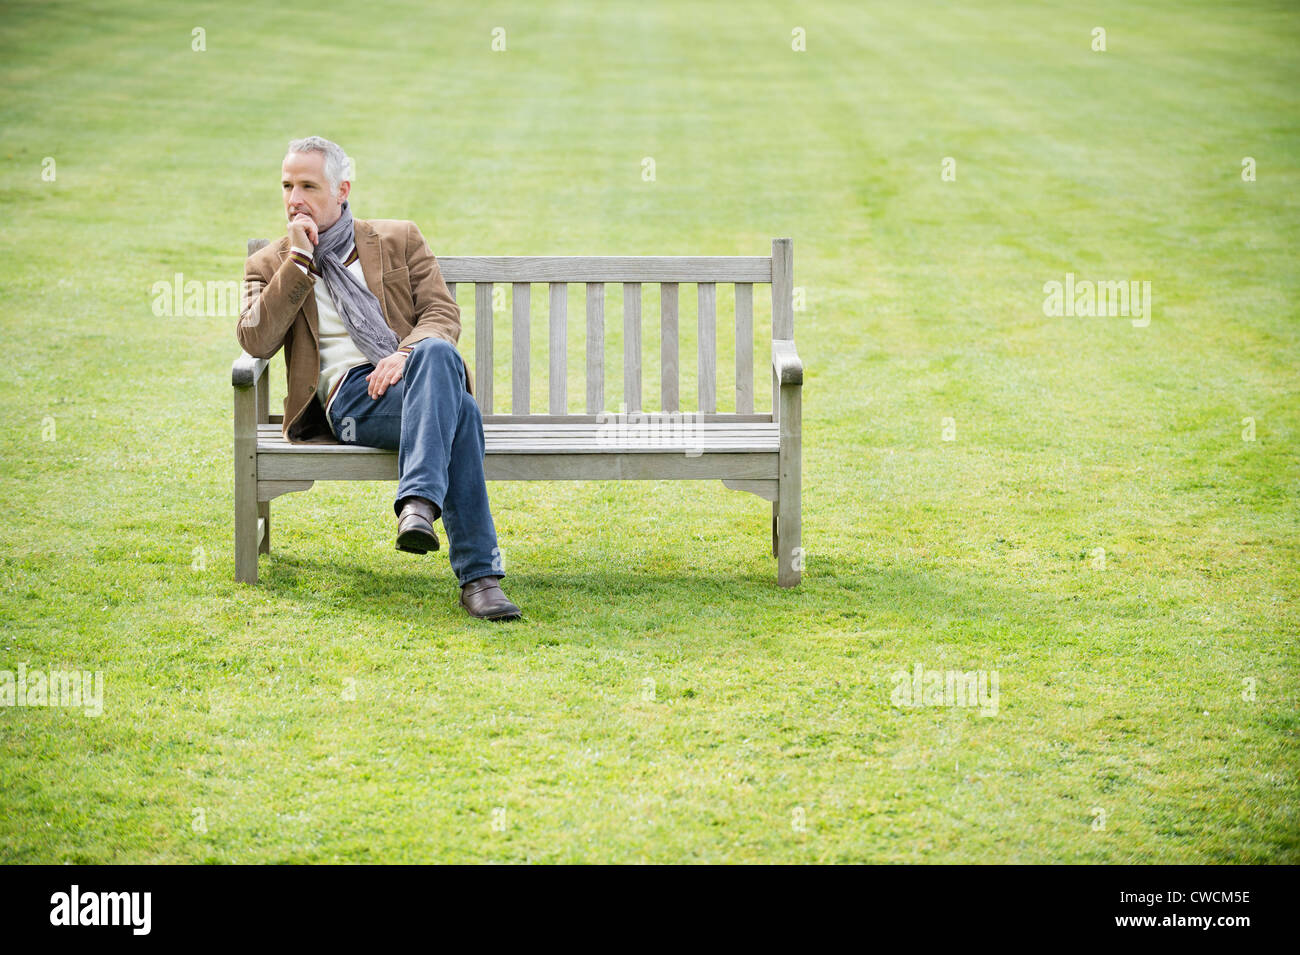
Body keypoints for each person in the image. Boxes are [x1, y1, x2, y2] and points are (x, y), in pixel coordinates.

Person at [237, 136, 521, 621]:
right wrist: (300, 261)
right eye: (287, 186)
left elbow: (440, 313)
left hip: (414, 382)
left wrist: (404, 353)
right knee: (462, 411)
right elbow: (256, 341)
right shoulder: (270, 263)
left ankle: (418, 505)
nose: (294, 198)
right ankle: (479, 578)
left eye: (308, 185)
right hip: (350, 404)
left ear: (342, 189)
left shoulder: (398, 238)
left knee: (434, 352)